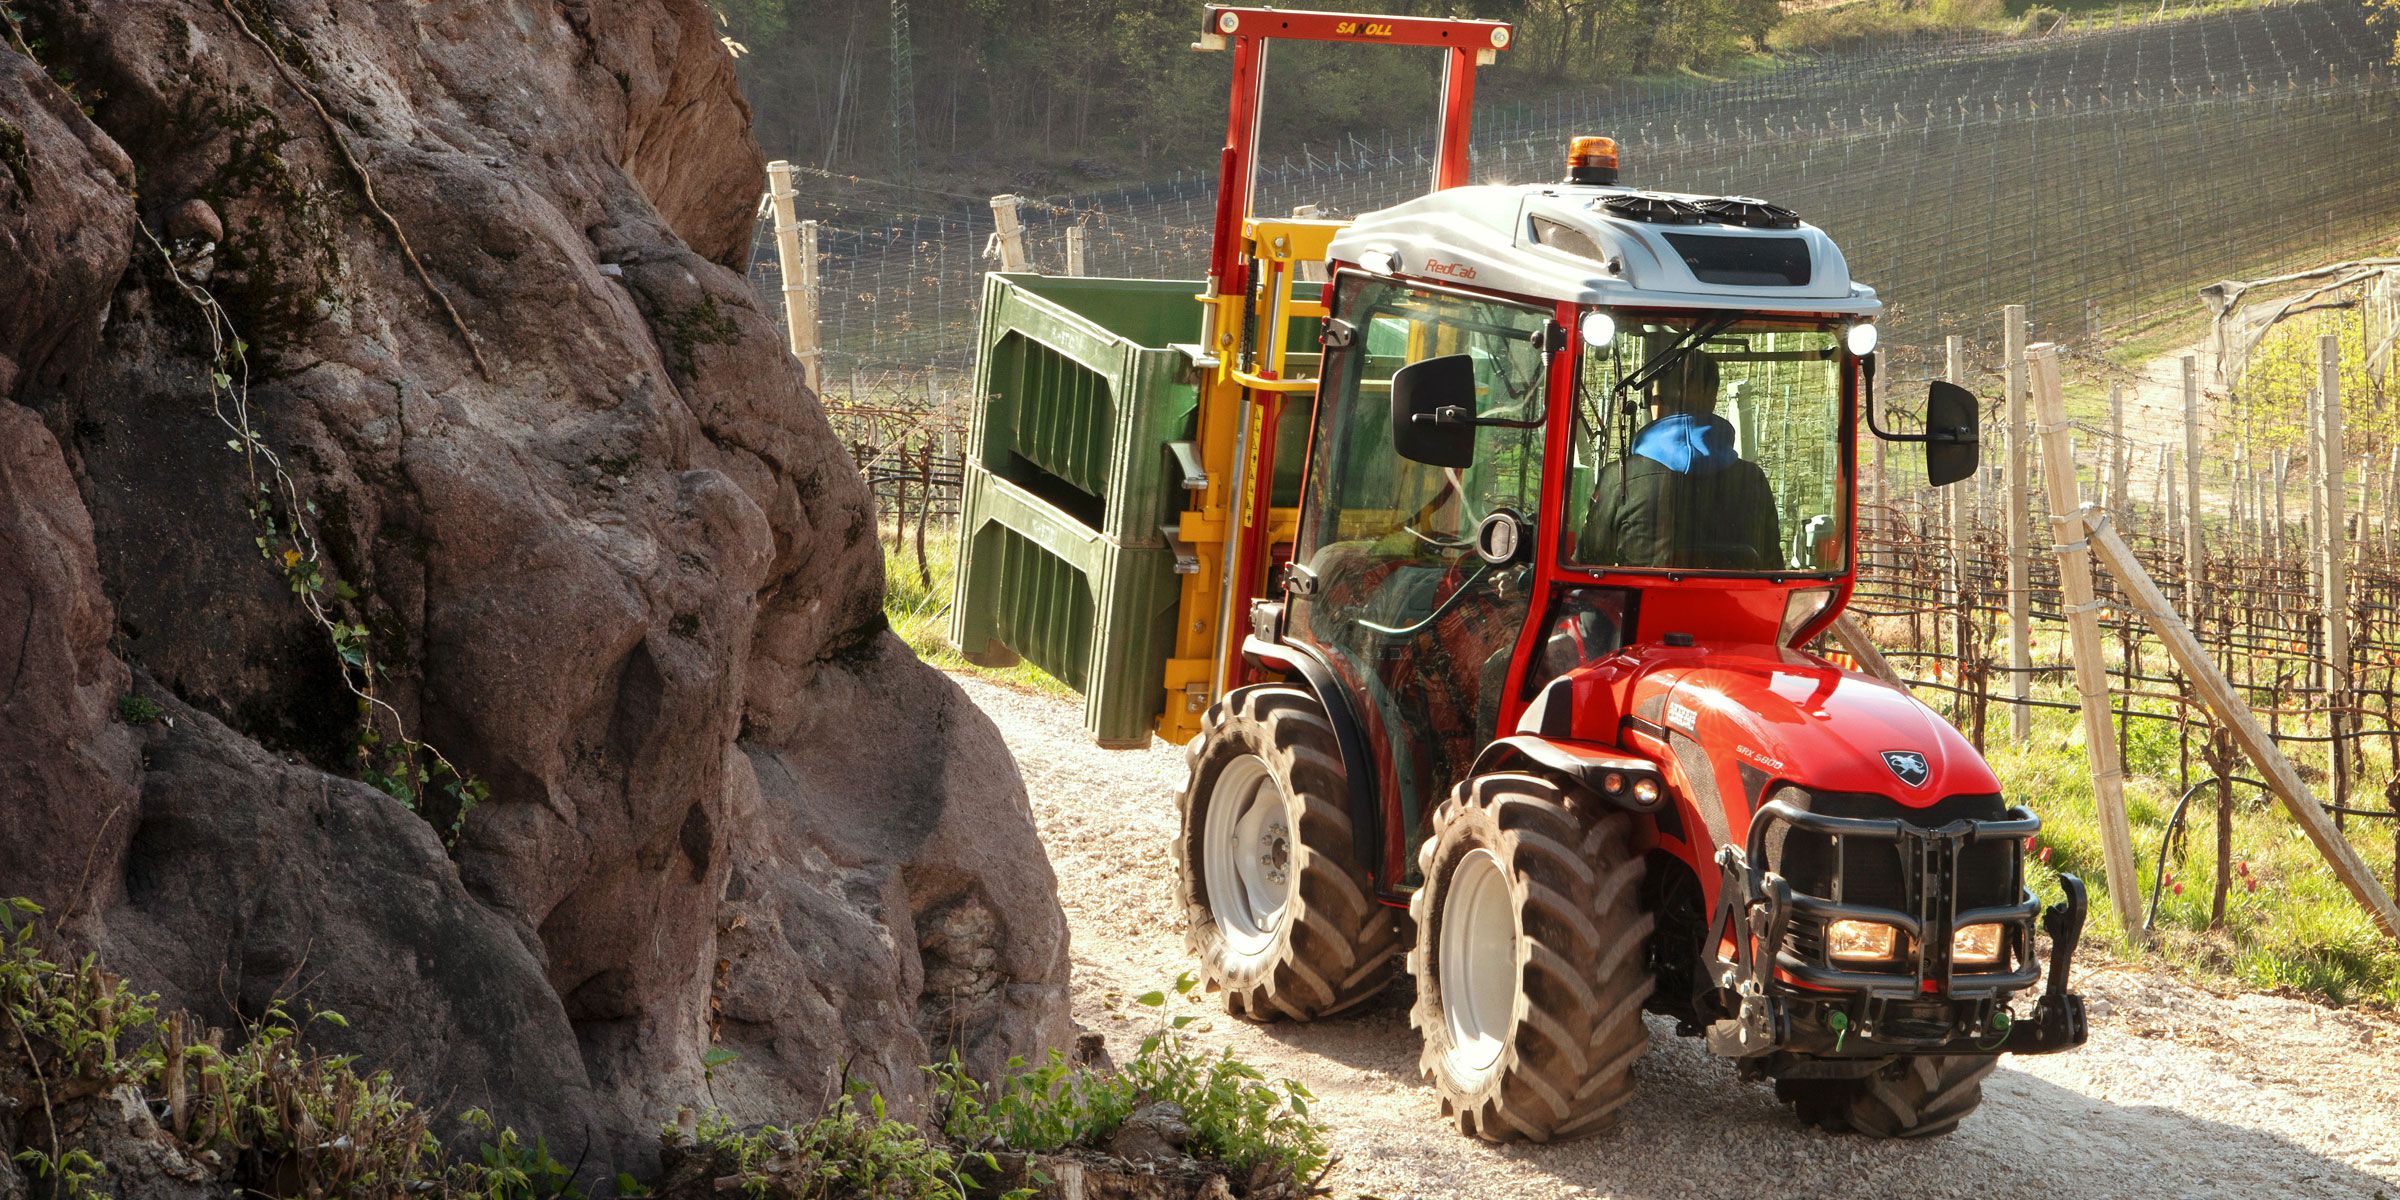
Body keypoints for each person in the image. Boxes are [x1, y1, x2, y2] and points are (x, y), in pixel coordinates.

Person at [1575, 349, 1782, 569]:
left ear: (1658, 404)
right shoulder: (1752, 480)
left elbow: (1588, 565)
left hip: (1643, 603)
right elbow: (1772, 567)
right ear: (1712, 400)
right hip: (1739, 604)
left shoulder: (1620, 478)